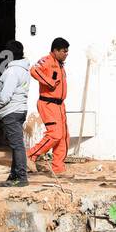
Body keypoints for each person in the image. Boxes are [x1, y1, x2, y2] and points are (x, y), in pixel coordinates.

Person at [29, 38, 70, 177]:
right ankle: (30, 155)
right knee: (55, 134)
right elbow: (34, 70)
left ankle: (58, 168)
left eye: (67, 51)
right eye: (64, 51)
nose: (66, 53)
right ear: (56, 50)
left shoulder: (60, 64)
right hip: (48, 103)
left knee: (63, 136)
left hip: (59, 105)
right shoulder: (46, 60)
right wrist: (50, 82)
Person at [0, 41, 31, 187]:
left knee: (17, 145)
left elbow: (5, 96)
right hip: (20, 110)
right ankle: (14, 175)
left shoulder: (12, 71)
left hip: (11, 111)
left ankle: (21, 177)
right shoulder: (24, 70)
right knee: (17, 144)